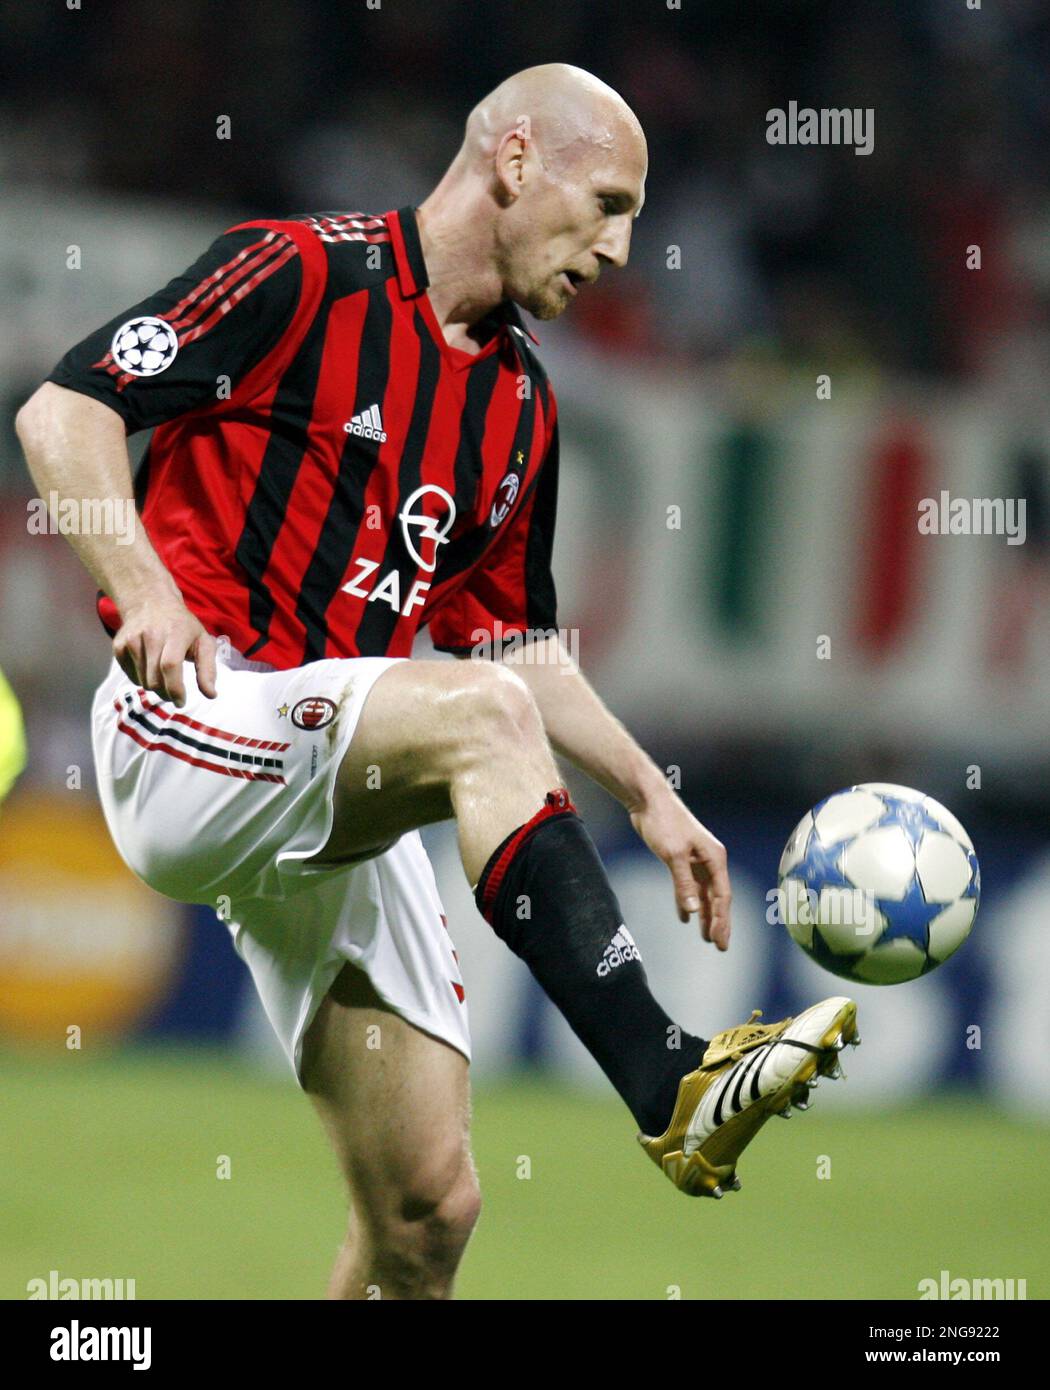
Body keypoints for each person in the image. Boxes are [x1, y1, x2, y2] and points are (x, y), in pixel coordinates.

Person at [16, 63, 858, 1300]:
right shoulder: (298, 275)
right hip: (190, 720)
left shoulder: (519, 401)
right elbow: (65, 411)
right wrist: (142, 586)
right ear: (515, 160)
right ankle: (671, 1077)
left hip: (328, 772)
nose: (622, 250)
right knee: (482, 724)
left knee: (427, 1216)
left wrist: (647, 792)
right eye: (609, 205)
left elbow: (509, 639)